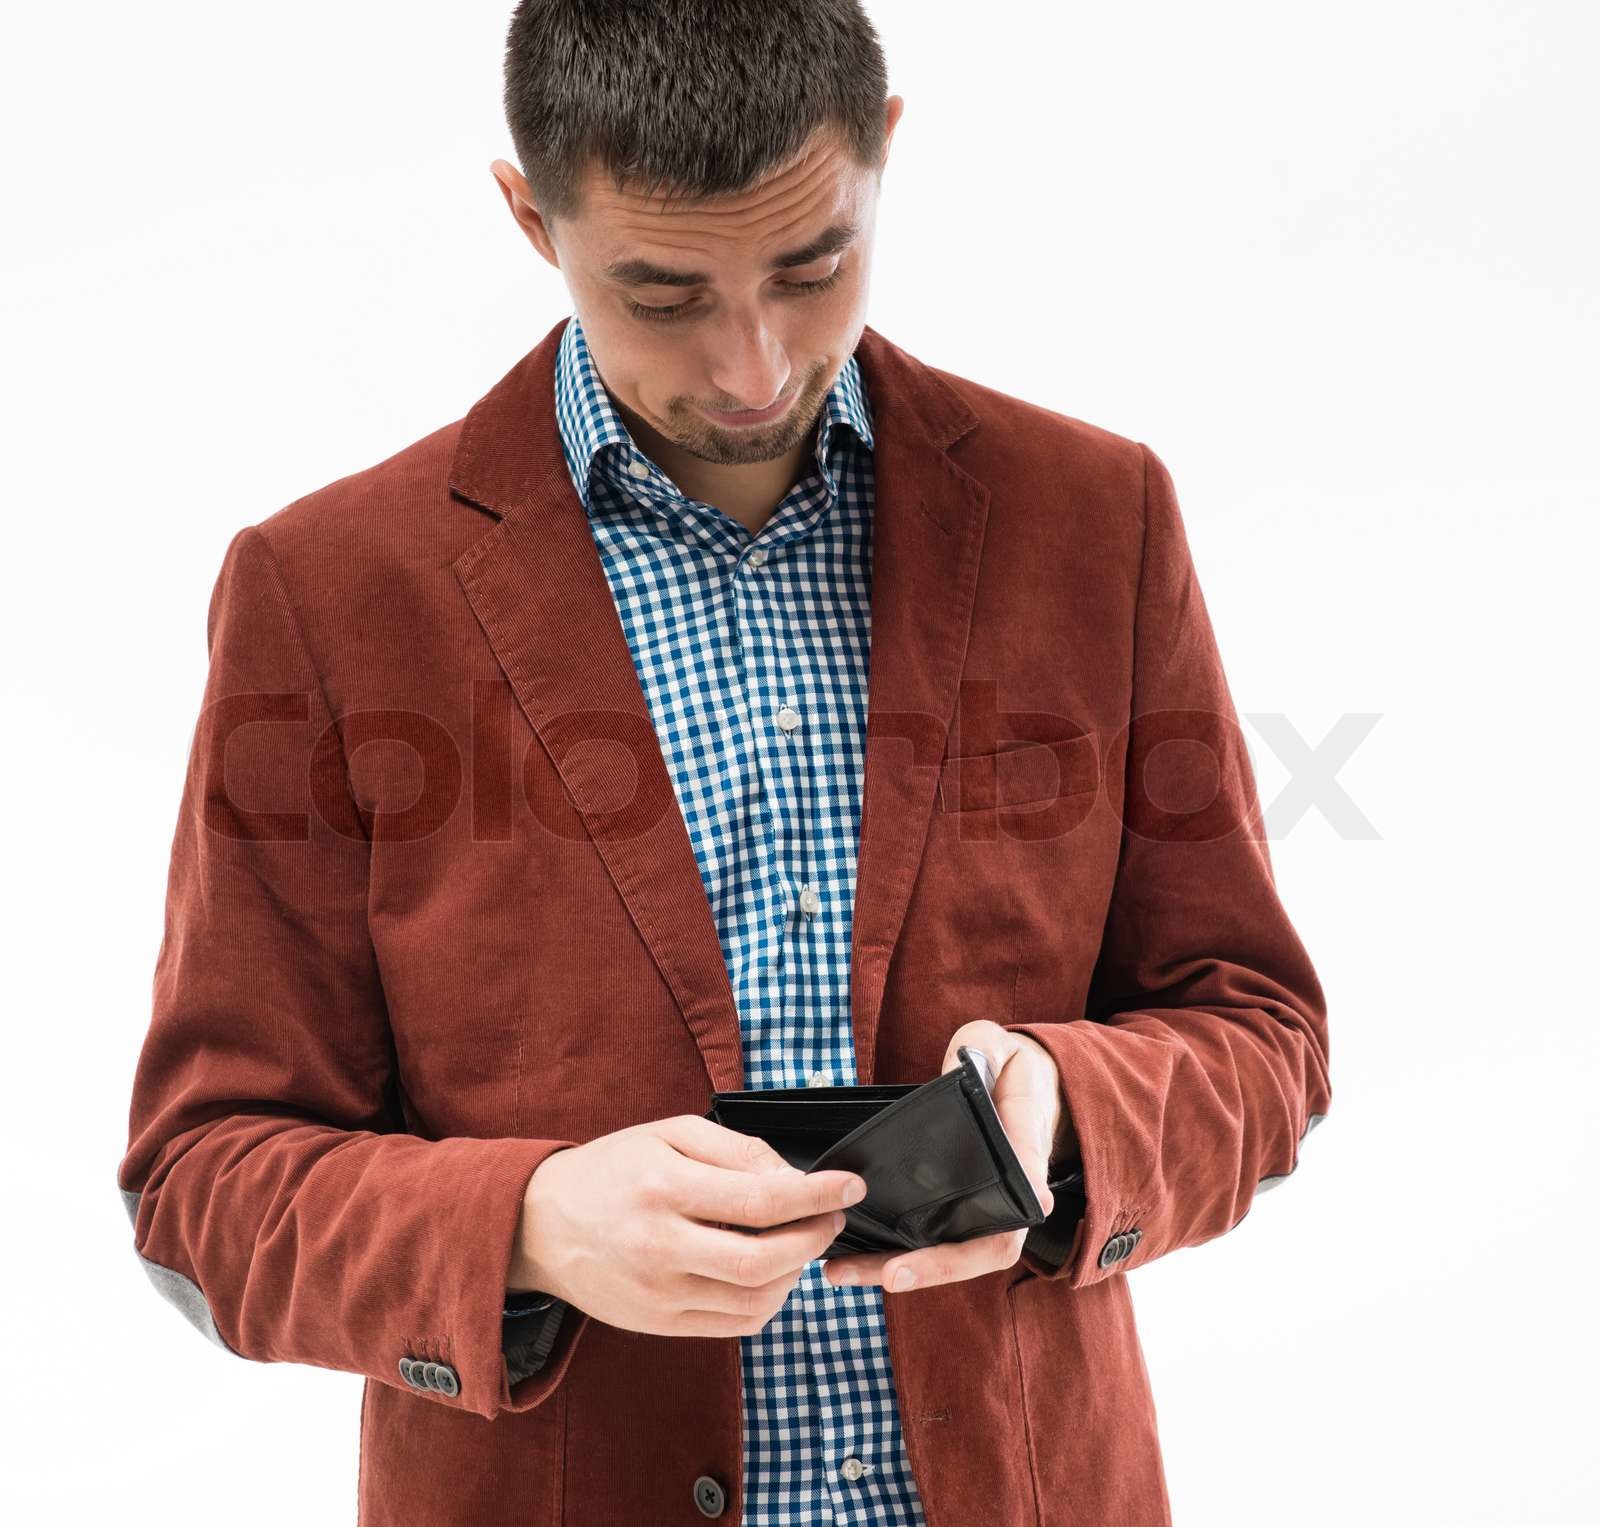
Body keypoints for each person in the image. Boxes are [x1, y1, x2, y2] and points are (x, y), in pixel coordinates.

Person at [116, 3, 1331, 1524]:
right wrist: (529, 1225)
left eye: (812, 266)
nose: (754, 365)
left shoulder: (1095, 518)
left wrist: (1074, 1114)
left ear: (885, 151)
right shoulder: (330, 588)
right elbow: (200, 1188)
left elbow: (1261, 1040)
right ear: (527, 215)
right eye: (661, 291)